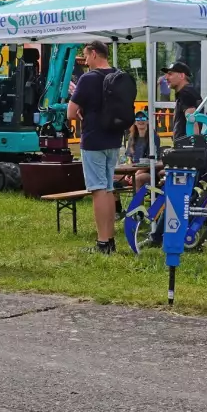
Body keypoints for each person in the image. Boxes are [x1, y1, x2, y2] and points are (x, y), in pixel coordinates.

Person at [67, 41, 122, 253]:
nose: (86, 60)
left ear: (95, 54)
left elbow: (71, 112)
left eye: (87, 55)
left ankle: (102, 242)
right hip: (114, 138)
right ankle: (110, 240)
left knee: (98, 190)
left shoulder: (88, 78)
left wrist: (82, 110)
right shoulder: (118, 75)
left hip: (93, 139)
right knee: (108, 188)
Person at [165, 61, 202, 141]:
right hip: (185, 147)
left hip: (186, 149)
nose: (166, 77)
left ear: (182, 76)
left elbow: (192, 121)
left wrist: (194, 147)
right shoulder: (187, 92)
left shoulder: (186, 93)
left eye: (170, 74)